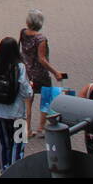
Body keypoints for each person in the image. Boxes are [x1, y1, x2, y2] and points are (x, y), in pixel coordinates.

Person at [0, 36, 32, 172]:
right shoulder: (19, 66)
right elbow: (25, 89)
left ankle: (4, 170)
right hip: (18, 113)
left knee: (4, 144)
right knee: (19, 142)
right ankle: (15, 171)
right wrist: (29, 92)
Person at [19, 9, 65, 139]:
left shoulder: (23, 33)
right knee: (46, 98)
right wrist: (55, 72)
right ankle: (41, 127)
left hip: (26, 72)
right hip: (40, 73)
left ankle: (27, 130)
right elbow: (42, 59)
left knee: (28, 100)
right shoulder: (41, 39)